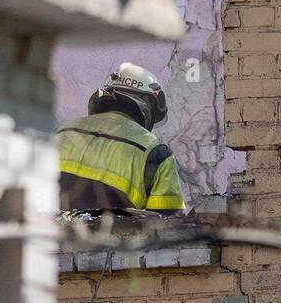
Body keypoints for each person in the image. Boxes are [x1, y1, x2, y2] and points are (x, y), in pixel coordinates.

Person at [56, 63, 185, 213]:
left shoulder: (62, 131)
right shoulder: (155, 153)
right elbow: (168, 224)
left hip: (48, 234)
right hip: (111, 235)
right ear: (149, 107)